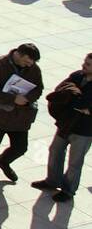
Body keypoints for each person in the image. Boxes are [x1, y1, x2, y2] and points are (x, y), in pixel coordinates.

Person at [0, 43, 45, 196]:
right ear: (19, 55)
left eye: (32, 62)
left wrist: (27, 99)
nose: (30, 65)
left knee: (21, 147)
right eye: (27, 61)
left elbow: (39, 88)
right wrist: (13, 99)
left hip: (20, 118)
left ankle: (3, 161)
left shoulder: (33, 68)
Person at [35, 52, 92, 201]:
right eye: (85, 62)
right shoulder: (77, 75)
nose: (83, 65)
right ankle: (53, 181)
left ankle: (68, 191)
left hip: (84, 131)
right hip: (66, 123)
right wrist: (79, 102)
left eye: (88, 64)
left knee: (75, 161)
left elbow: (81, 103)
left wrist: (80, 103)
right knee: (55, 150)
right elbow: (61, 90)